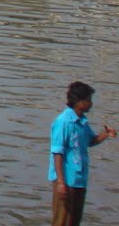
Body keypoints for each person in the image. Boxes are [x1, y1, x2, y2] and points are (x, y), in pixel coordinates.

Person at [50, 80, 117, 226]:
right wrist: (61, 183)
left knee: (74, 221)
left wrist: (106, 134)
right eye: (89, 100)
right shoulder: (63, 122)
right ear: (79, 102)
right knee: (61, 221)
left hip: (79, 180)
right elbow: (57, 153)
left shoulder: (82, 122)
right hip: (66, 179)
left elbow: (90, 141)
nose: (91, 104)